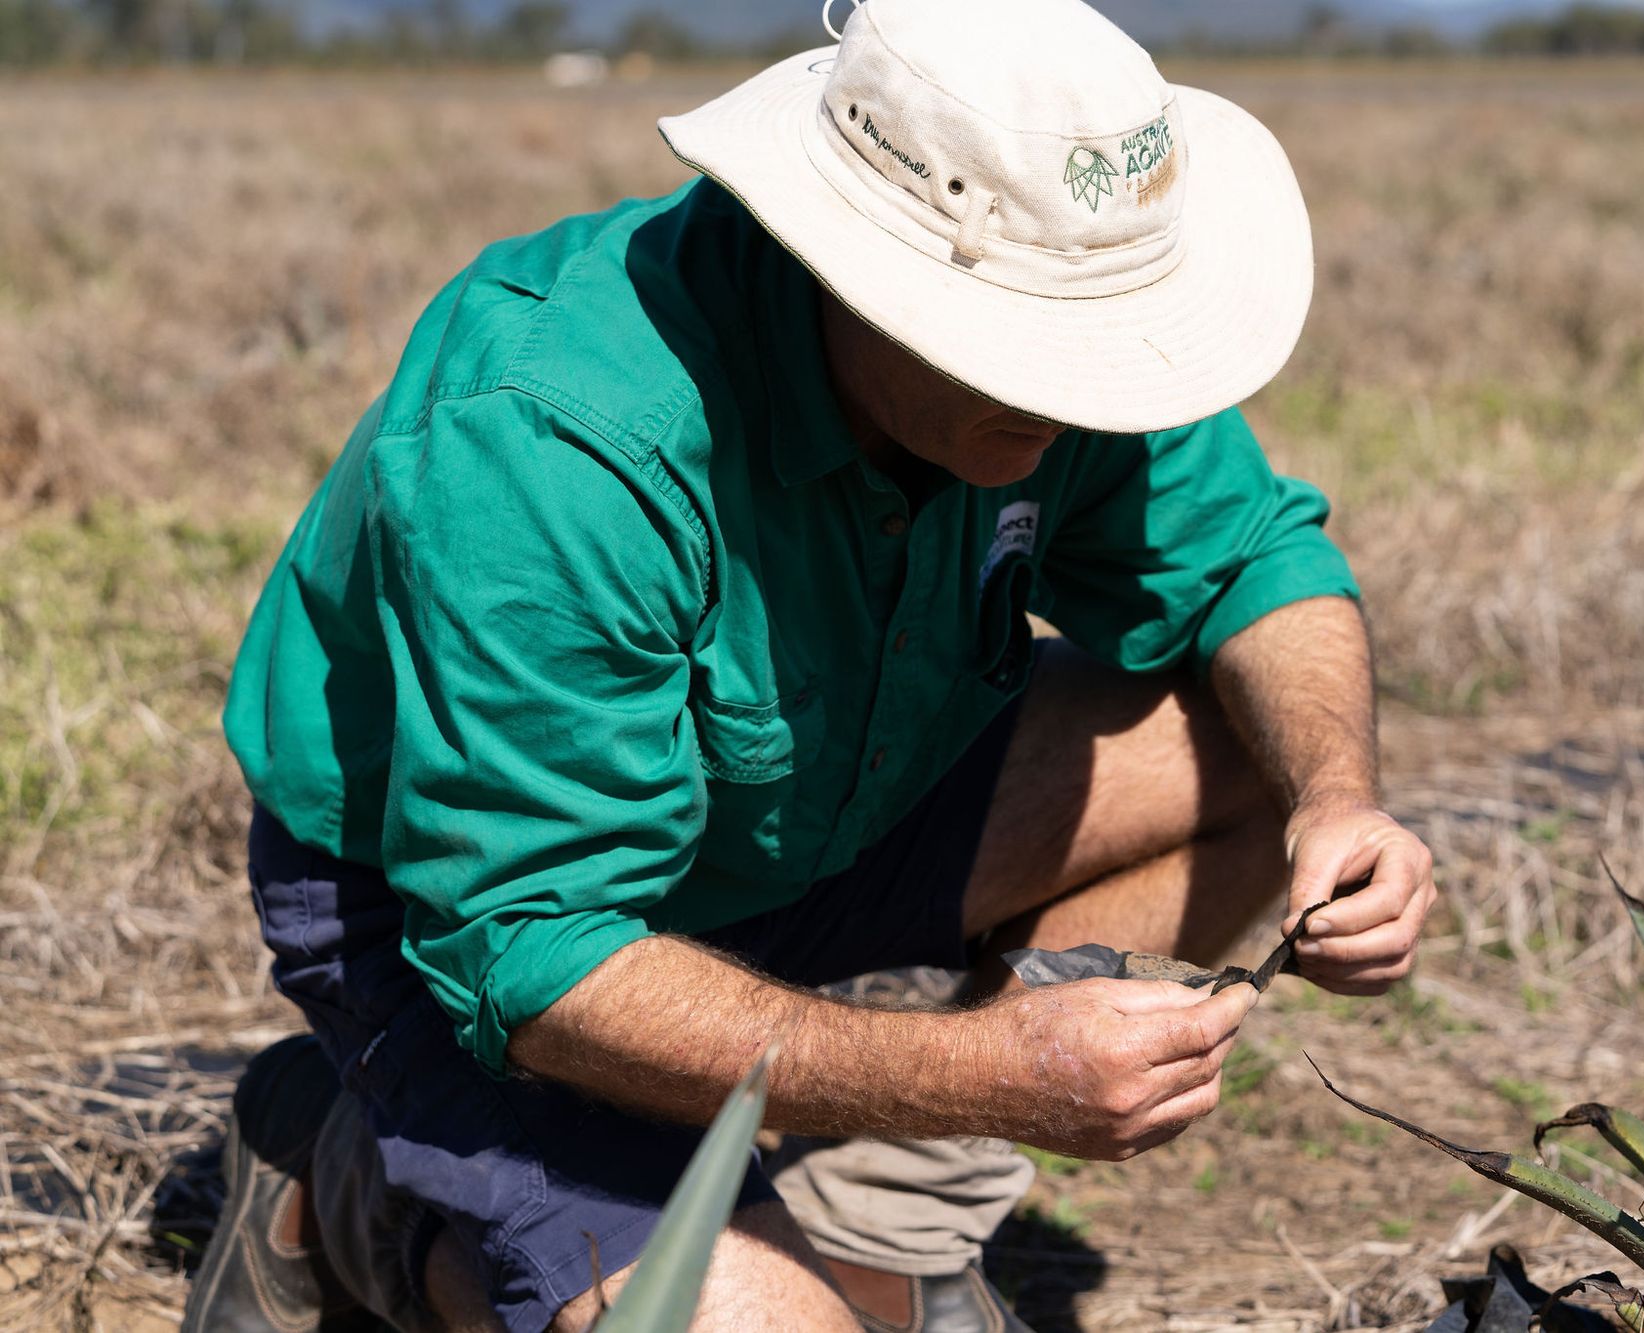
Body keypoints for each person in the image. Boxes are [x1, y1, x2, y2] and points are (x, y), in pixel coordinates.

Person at [182, 0, 1439, 1329]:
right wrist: (987, 1073)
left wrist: (1336, 795)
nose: (1080, 399)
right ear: (849, 267)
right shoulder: (561, 437)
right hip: (471, 916)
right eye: (1030, 344)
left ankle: (878, 1229)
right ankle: (352, 1198)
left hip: (808, 812)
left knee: (1250, 735)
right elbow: (535, 954)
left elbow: (1256, 561)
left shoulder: (1069, 381)